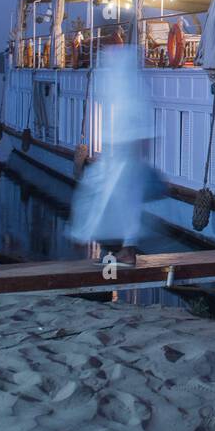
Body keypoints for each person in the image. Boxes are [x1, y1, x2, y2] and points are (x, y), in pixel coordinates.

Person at [67, 45, 158, 266]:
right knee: (128, 203)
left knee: (96, 192)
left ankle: (81, 235)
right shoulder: (133, 87)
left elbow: (127, 126)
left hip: (120, 155)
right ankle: (124, 248)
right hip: (126, 156)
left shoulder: (123, 88)